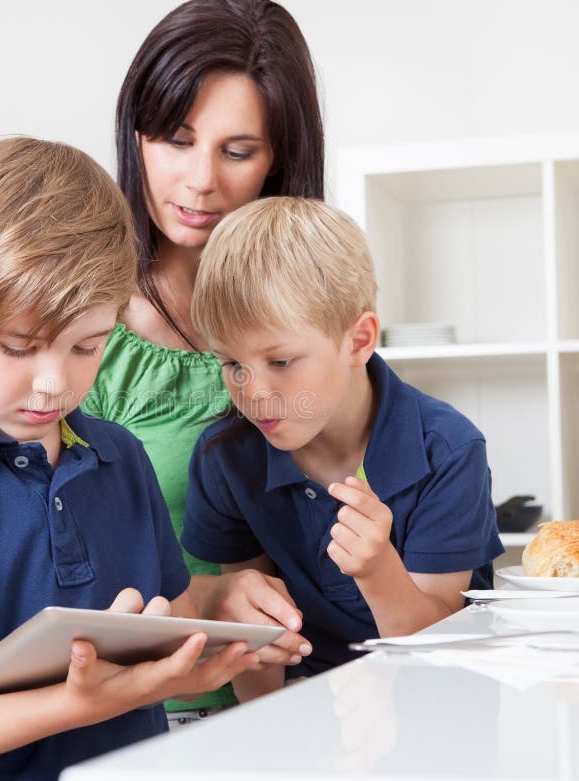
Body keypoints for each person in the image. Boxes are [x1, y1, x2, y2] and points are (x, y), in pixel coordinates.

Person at [0, 137, 261, 781]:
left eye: (87, 346)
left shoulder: (121, 457)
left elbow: (165, 622)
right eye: (18, 346)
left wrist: (206, 647)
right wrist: (75, 704)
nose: (54, 384)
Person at [81, 0, 323, 724]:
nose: (199, 180)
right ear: (136, 136)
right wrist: (211, 598)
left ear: (280, 159)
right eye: (175, 140)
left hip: (307, 706)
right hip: (141, 719)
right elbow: (48, 566)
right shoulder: (81, 335)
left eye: (237, 151)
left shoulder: (318, 316)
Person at [183, 197, 504, 700]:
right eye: (231, 364)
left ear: (358, 341)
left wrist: (378, 572)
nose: (253, 392)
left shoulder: (448, 450)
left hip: (439, 709)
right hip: (309, 712)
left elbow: (438, 654)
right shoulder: (225, 458)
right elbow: (255, 641)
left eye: (280, 361)